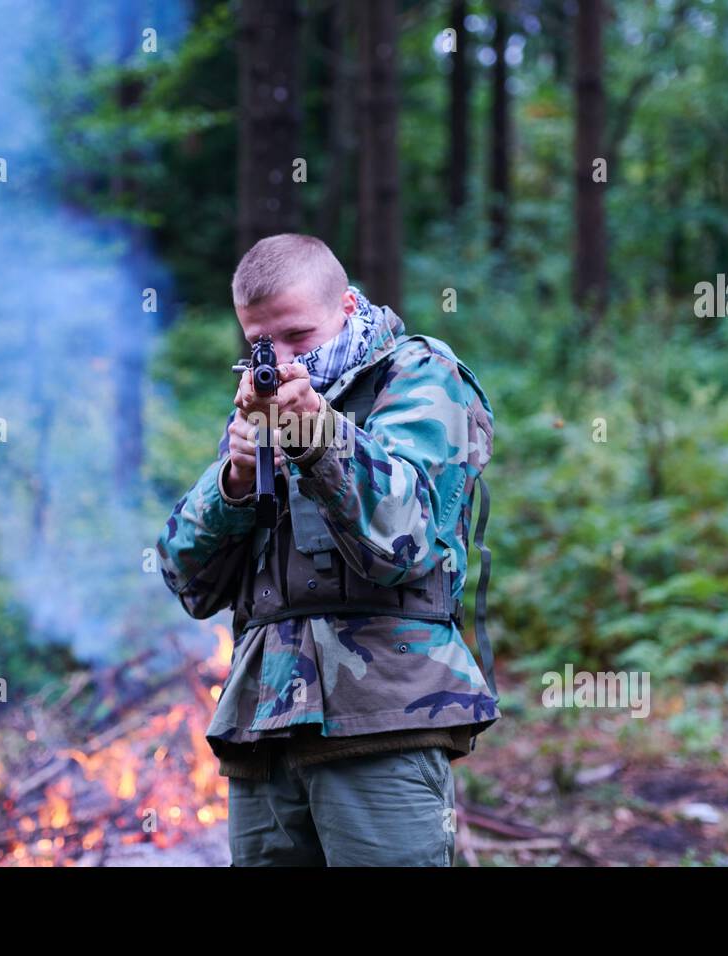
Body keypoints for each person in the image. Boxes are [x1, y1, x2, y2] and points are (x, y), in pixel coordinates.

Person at [155, 233, 499, 866]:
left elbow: (405, 536)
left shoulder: (419, 375)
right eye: (261, 343)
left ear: (346, 306)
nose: (282, 359)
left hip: (383, 718)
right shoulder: (262, 408)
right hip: (264, 728)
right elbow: (188, 580)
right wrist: (233, 481)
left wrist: (316, 434)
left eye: (298, 337)